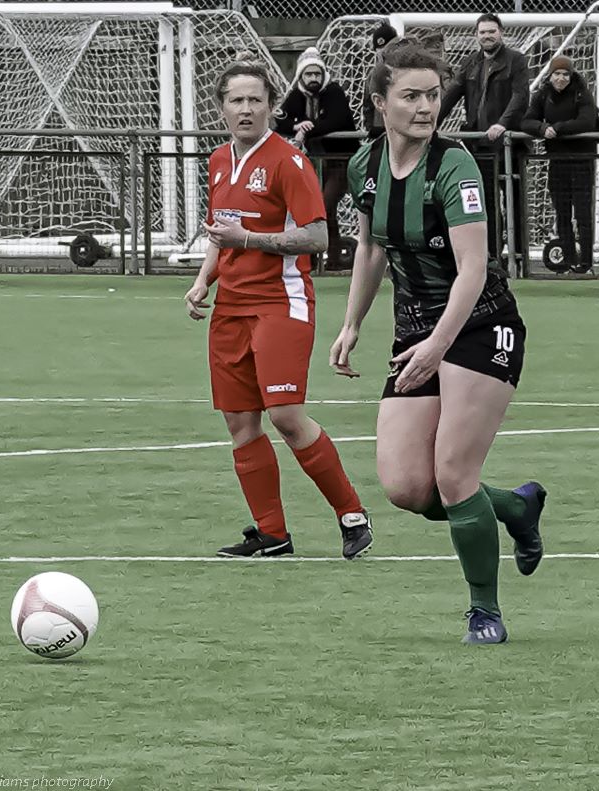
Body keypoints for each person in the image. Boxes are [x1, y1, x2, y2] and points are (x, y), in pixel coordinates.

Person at [331, 38, 547, 645]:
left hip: (481, 325)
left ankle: (485, 610)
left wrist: (436, 346)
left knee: (453, 474)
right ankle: (515, 507)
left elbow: (474, 270)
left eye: (432, 95)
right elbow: (372, 247)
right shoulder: (364, 165)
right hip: (415, 331)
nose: (426, 107)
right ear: (380, 103)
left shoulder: (455, 166)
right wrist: (352, 324)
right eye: (411, 96)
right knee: (407, 488)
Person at [184, 58, 373, 560]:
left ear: (271, 105)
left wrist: (247, 237)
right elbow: (218, 233)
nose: (246, 109)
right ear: (221, 107)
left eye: (255, 100)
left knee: (286, 415)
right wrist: (204, 280)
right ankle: (272, 534)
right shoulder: (220, 160)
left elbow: (317, 236)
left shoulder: (289, 161)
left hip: (280, 304)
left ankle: (351, 513)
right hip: (231, 309)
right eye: (236, 100)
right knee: (240, 423)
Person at [438, 13, 530, 269]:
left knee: (515, 203)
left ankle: (519, 259)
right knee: (485, 204)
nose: (487, 36)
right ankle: (490, 259)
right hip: (479, 146)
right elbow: (450, 96)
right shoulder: (470, 63)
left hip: (510, 146)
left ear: (501, 32)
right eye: (482, 32)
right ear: (476, 35)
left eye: (492, 31)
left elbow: (521, 96)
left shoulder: (516, 61)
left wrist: (503, 123)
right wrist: (429, 124)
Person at [275, 47, 359, 270]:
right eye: (309, 74)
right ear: (301, 76)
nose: (313, 79)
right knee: (314, 208)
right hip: (315, 163)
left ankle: (332, 256)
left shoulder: (334, 92)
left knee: (325, 204)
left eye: (317, 74)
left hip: (341, 160)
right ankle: (315, 259)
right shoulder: (297, 95)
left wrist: (307, 131)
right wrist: (296, 126)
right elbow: (278, 120)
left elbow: (337, 121)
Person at [521, 54, 599, 273]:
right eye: (557, 74)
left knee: (583, 212)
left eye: (565, 74)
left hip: (581, 160)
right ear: (550, 75)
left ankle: (585, 261)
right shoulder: (542, 95)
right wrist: (541, 129)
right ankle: (567, 258)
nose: (561, 78)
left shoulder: (581, 93)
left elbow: (586, 121)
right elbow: (527, 120)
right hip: (557, 161)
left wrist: (557, 128)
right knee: (562, 211)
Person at [362, 21, 400, 140]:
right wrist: (371, 127)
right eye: (380, 49)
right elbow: (367, 105)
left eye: (387, 47)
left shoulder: (407, 72)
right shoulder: (372, 76)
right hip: (381, 134)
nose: (383, 52)